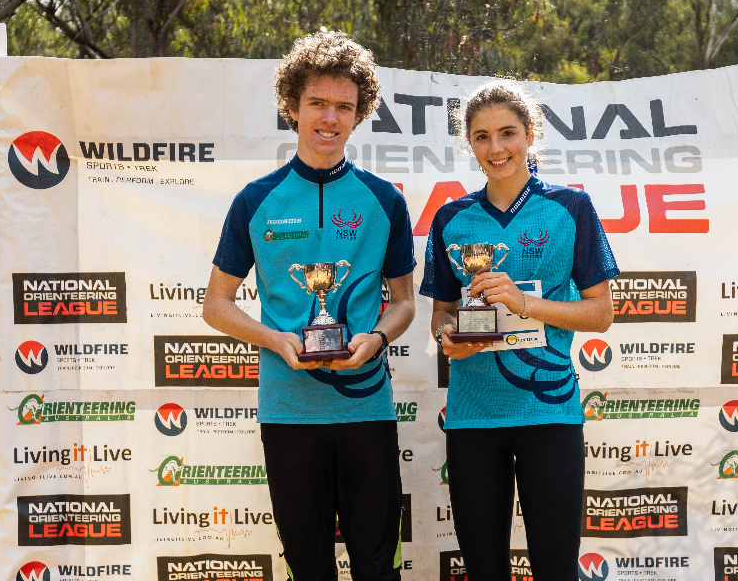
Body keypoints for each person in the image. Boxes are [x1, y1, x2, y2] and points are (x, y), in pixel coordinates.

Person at [203, 32, 416, 581]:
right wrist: (276, 340)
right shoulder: (255, 199)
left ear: (359, 114)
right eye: (317, 102)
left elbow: (404, 303)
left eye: (344, 106)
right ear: (292, 106)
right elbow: (216, 306)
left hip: (366, 409)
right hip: (288, 411)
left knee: (379, 567)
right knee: (309, 568)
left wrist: (377, 338)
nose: (330, 118)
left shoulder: (385, 200)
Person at [420, 80, 619, 580]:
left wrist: (524, 303)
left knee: (555, 569)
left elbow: (600, 313)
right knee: (484, 570)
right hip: (472, 416)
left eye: (507, 133)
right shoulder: (451, 218)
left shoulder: (571, 208)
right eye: (481, 136)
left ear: (530, 134)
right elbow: (442, 312)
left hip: (548, 412)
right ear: (470, 144)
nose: (496, 148)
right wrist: (447, 338)